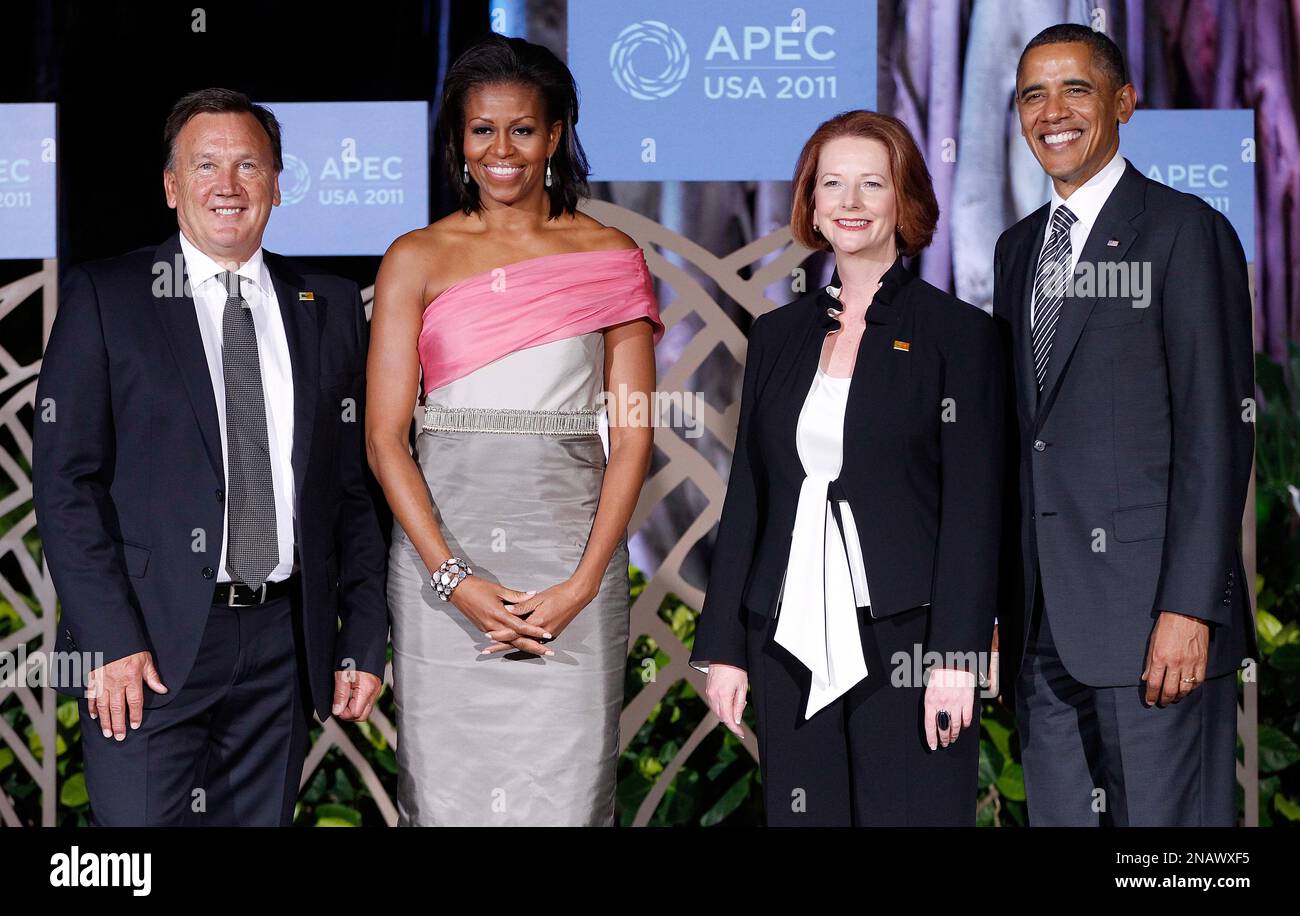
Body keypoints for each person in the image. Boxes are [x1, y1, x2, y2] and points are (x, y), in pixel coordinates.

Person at [32, 88, 389, 826]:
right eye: (205, 166)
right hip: (148, 648)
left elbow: (350, 495)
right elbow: (66, 484)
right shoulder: (108, 297)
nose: (227, 186)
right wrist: (112, 641)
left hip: (283, 649)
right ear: (171, 186)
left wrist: (361, 636)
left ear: (278, 184)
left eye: (248, 166)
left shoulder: (324, 307)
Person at [367, 35, 663, 826]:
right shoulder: (415, 256)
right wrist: (451, 577)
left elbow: (632, 434)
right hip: (442, 571)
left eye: (523, 130)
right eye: (482, 130)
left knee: (567, 800)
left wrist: (582, 583)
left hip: (573, 569)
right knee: (447, 799)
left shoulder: (611, 256)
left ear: (556, 134)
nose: (502, 150)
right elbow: (385, 438)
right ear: (459, 140)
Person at [689, 110, 1005, 826]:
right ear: (810, 201)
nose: (851, 202)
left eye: (872, 183)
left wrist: (956, 659)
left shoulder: (960, 335)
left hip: (908, 640)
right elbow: (750, 498)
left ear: (905, 200)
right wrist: (724, 651)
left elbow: (974, 512)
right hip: (787, 635)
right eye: (833, 183)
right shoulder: (776, 336)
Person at [993, 24, 1257, 826]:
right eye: (1033, 94)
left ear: (1123, 102)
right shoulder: (1015, 250)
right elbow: (1022, 443)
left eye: (1076, 88)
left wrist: (1190, 608)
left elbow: (1218, 433)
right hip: (1044, 633)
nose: (1053, 111)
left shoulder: (1184, 231)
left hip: (1153, 627)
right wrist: (1001, 608)